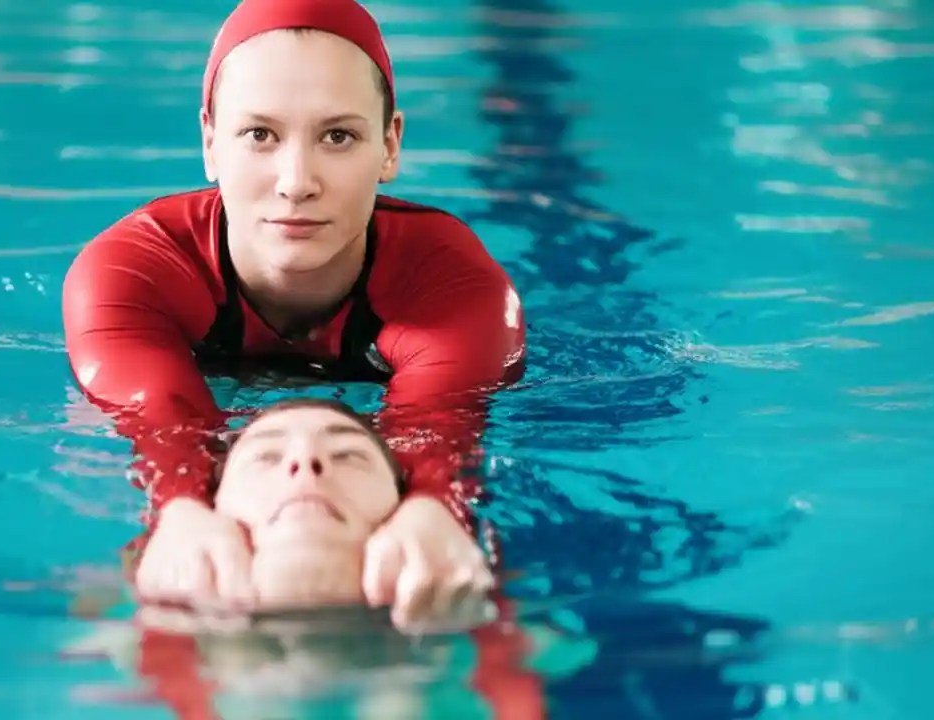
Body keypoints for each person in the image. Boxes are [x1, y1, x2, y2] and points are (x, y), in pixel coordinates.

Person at [62, 0, 526, 621]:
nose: (296, 181)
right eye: (260, 135)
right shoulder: (132, 274)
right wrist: (177, 509)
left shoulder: (454, 287)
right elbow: (161, 430)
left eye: (338, 136)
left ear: (390, 145)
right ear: (210, 141)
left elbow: (441, 431)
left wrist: (436, 507)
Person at [65, 398, 566, 720]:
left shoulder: (537, 650)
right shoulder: (99, 660)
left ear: (404, 511)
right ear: (211, 513)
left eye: (350, 455)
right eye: (265, 456)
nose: (305, 463)